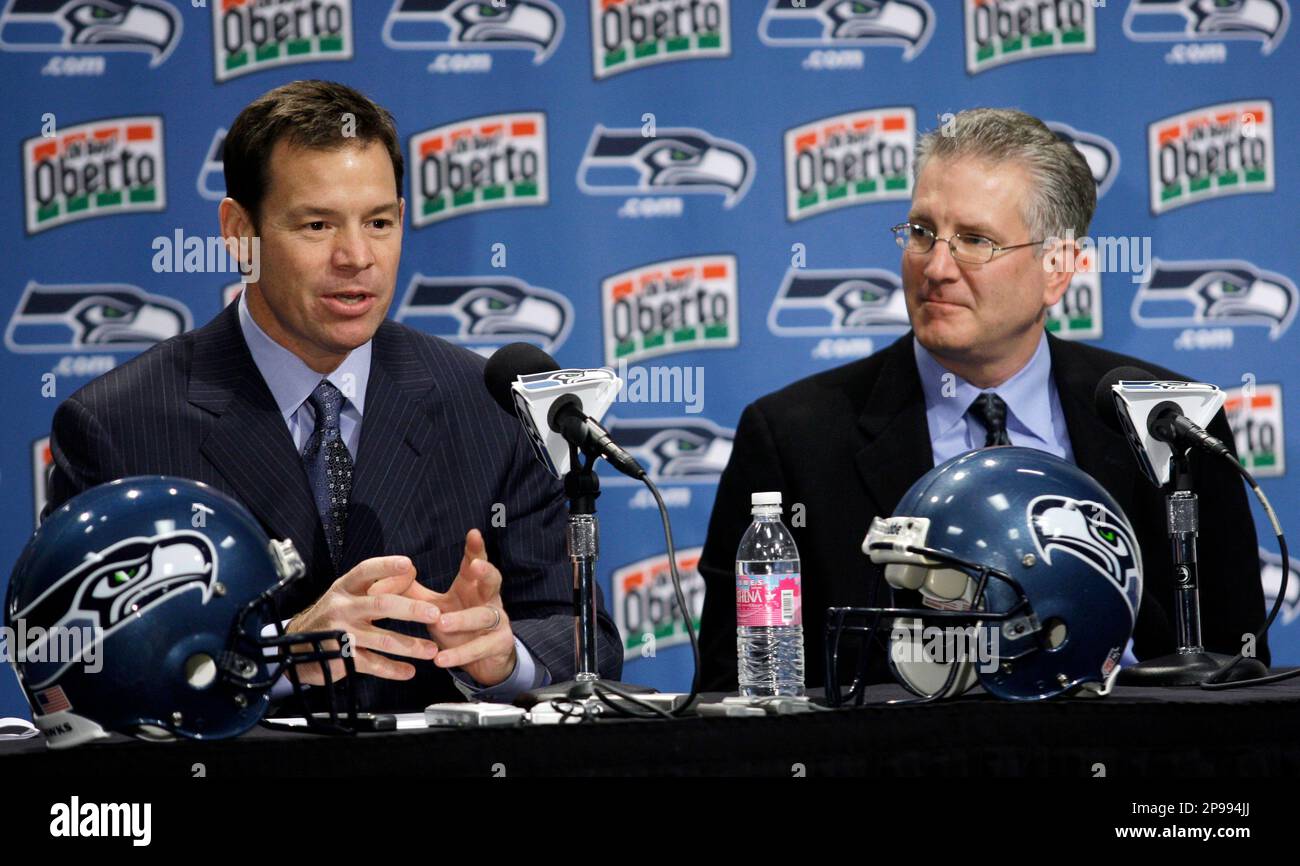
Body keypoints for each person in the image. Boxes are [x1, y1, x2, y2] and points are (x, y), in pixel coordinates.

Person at [41, 80, 622, 711]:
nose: (357, 257)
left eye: (379, 222)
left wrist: (499, 655)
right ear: (240, 232)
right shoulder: (116, 426)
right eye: (316, 225)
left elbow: (580, 634)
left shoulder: (490, 405)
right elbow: (72, 669)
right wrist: (276, 655)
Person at [698, 108, 1269, 691]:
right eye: (922, 232)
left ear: (1058, 267)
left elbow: (1234, 669)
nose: (936, 267)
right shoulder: (795, 437)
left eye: (975, 240)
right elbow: (736, 687)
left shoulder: (1169, 422)